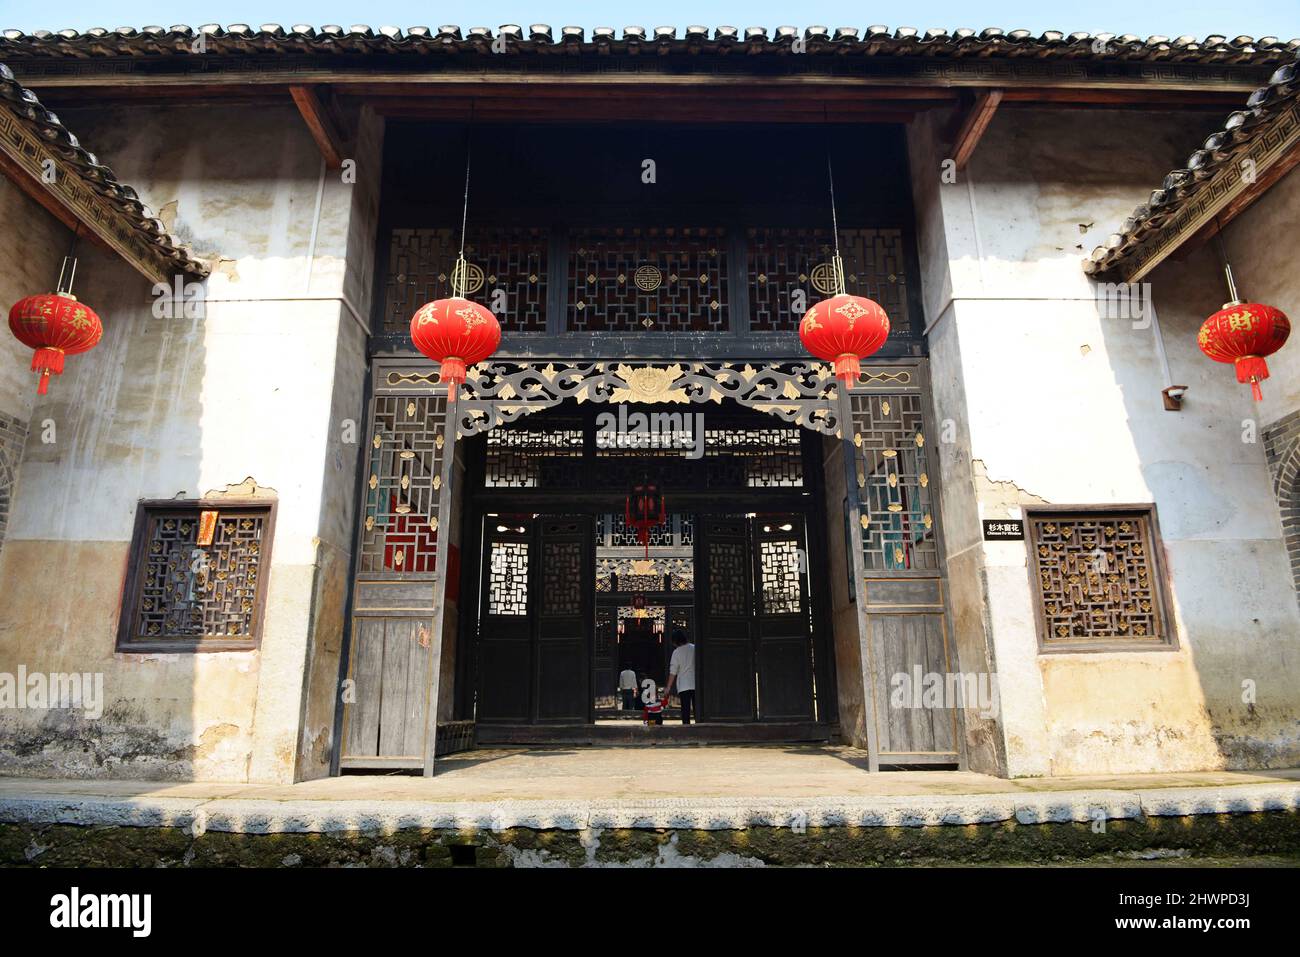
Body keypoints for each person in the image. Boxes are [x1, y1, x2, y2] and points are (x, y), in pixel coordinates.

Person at [662, 629, 696, 725]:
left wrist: (668, 687)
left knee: (685, 710)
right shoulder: (694, 648)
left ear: (675, 641)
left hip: (684, 685)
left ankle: (686, 729)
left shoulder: (676, 652)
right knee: (698, 709)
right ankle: (699, 727)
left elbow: (673, 672)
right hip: (695, 683)